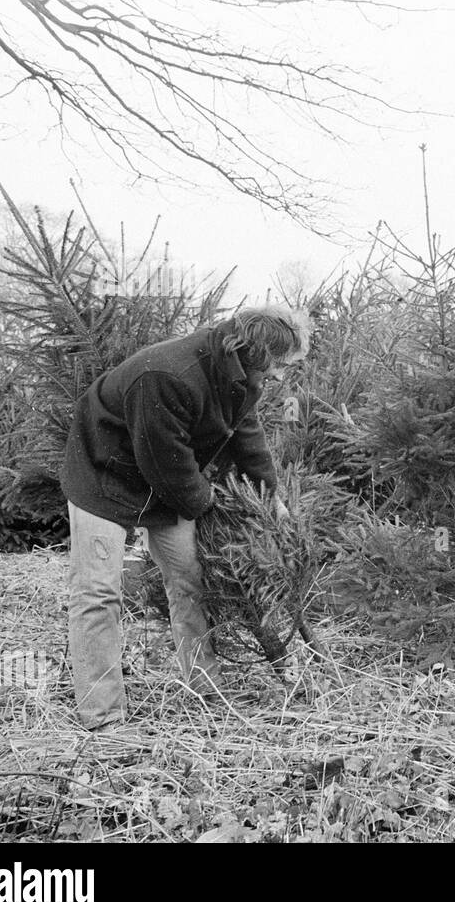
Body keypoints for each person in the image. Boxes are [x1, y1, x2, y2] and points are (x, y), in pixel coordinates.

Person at [60, 305, 310, 730]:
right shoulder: (168, 376)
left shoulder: (240, 376)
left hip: (162, 484)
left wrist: (272, 497)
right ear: (252, 352)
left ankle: (205, 688)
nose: (280, 378)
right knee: (99, 593)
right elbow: (166, 462)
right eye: (278, 366)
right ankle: (103, 717)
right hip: (103, 475)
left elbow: (246, 433)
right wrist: (209, 504)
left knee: (190, 581)